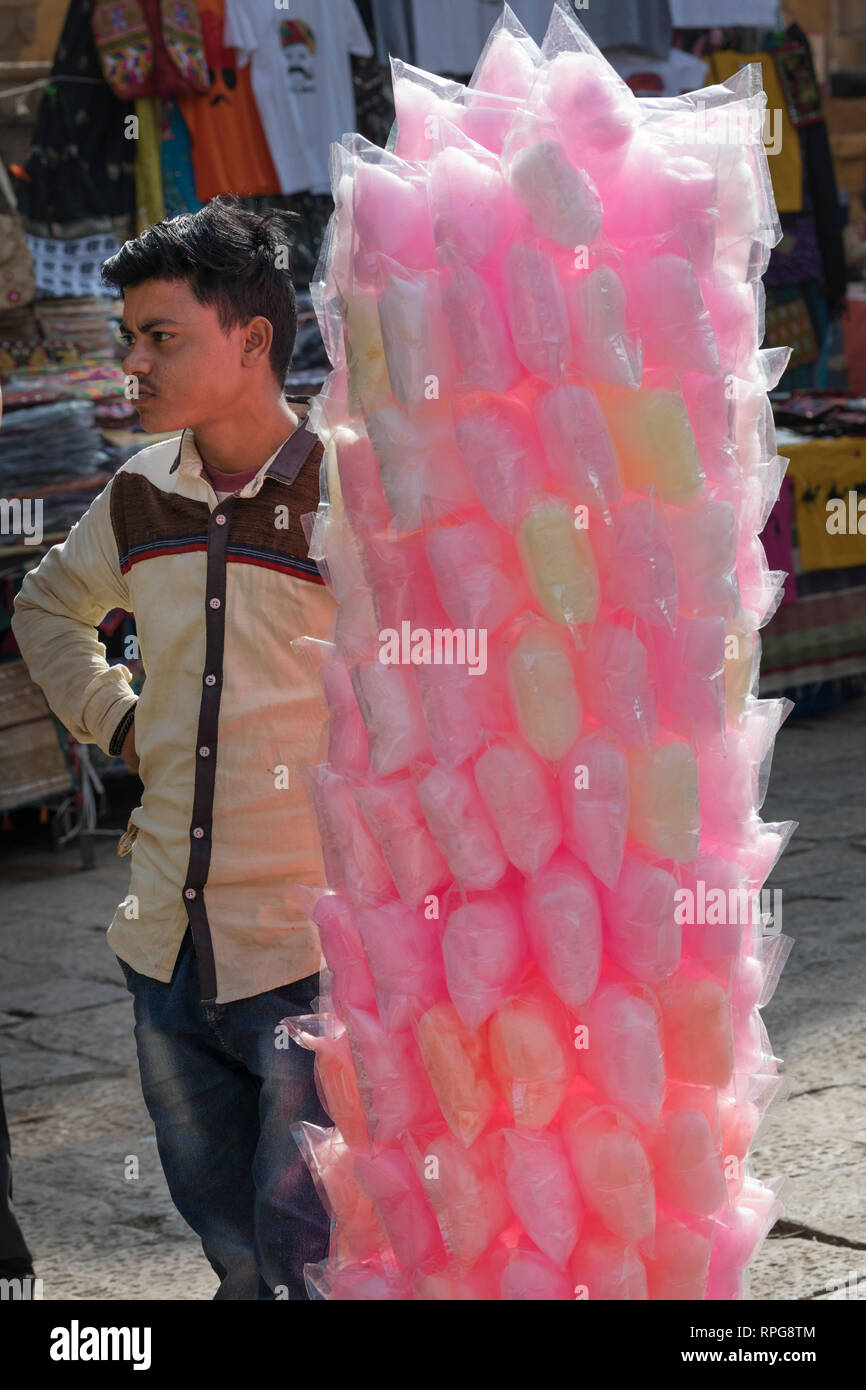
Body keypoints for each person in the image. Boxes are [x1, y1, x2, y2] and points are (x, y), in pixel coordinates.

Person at [12, 197, 337, 1300]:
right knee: (232, 1243)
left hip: (306, 947)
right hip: (164, 946)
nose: (131, 362)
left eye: (162, 336)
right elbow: (48, 609)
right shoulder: (140, 491)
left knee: (312, 1249)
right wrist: (123, 721)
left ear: (252, 340)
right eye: (128, 336)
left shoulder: (349, 498)